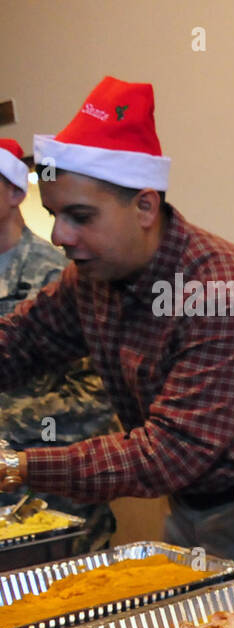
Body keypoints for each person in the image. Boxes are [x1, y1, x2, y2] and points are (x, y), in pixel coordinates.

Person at [0, 78, 234, 573]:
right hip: (188, 511)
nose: (60, 235)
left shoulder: (224, 291)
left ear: (145, 206)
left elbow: (167, 453)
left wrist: (18, 467)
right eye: (55, 214)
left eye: (80, 216)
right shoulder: (90, 280)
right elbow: (16, 343)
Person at [0, 138, 119, 552]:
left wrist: (8, 434)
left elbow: (98, 398)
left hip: (56, 502)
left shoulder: (63, 274)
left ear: (16, 191)